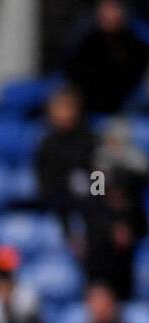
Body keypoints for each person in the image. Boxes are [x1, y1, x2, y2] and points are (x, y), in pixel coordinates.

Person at [33, 87, 96, 241]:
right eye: (58, 107)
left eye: (66, 107)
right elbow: (44, 183)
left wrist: (96, 197)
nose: (62, 113)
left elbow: (98, 173)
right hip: (58, 206)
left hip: (89, 206)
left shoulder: (90, 141)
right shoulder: (46, 145)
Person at [64, 0, 149, 115]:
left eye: (114, 9)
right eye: (106, 9)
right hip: (91, 105)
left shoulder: (137, 41)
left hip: (128, 105)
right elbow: (73, 74)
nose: (109, 14)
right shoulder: (85, 40)